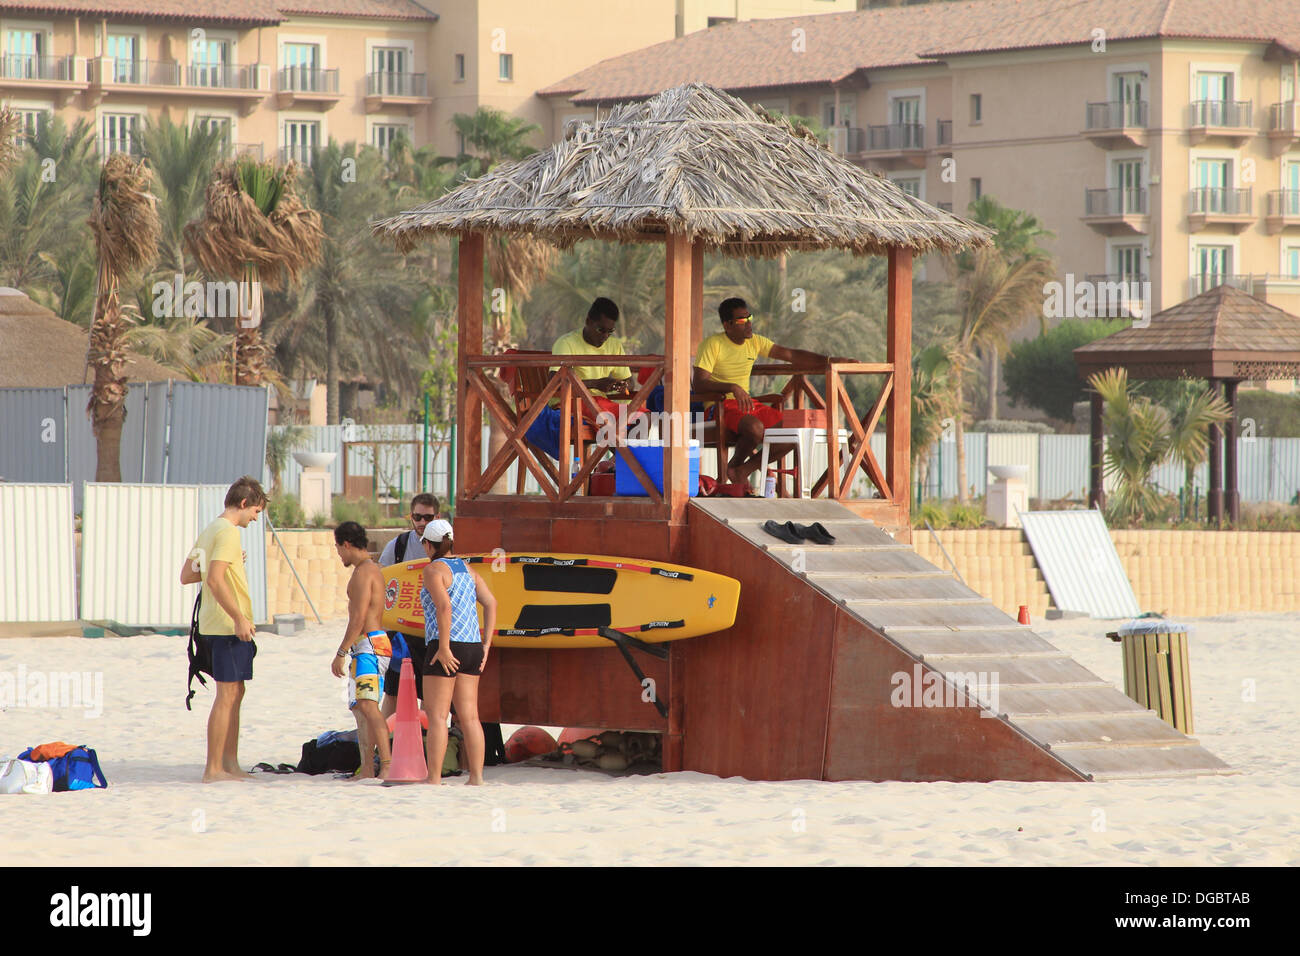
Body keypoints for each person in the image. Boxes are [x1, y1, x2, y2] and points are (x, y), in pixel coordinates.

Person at [693, 297, 844, 487]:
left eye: (750, 317)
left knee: (792, 433)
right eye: (742, 320)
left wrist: (829, 360)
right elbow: (699, 384)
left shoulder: (755, 342)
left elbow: (791, 355)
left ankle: (741, 470)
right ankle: (736, 466)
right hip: (719, 407)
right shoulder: (712, 344)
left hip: (747, 405)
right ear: (727, 325)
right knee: (755, 428)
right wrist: (731, 387)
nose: (749, 324)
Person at [179, 475, 267, 783]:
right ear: (244, 504)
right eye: (255, 512)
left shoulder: (211, 528)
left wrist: (227, 561)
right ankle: (214, 769)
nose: (255, 518)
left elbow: (188, 575)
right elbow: (214, 581)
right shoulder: (228, 532)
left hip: (212, 624)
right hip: (227, 626)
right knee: (227, 695)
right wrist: (239, 618)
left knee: (236, 691)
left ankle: (230, 763)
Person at [418, 520, 496, 785]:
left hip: (446, 645)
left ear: (429, 544)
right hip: (473, 646)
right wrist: (486, 646)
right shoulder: (467, 569)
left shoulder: (433, 570)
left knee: (438, 716)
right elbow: (491, 603)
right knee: (470, 716)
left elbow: (443, 607)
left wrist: (443, 648)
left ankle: (435, 778)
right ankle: (476, 778)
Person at [331, 521, 392, 780]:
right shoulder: (372, 569)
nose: (338, 554)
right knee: (360, 708)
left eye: (338, 548)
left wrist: (341, 652)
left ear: (347, 544)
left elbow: (357, 619)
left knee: (368, 706)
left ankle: (387, 764)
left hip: (369, 645)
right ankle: (366, 767)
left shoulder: (363, 573)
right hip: (369, 645)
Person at [378, 493, 440, 720]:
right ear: (411, 517)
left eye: (428, 517)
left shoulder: (446, 546)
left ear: (437, 516)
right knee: (393, 693)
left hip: (433, 632)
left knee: (429, 696)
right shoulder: (398, 546)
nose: (422, 522)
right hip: (401, 634)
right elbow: (379, 583)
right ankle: (383, 748)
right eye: (417, 517)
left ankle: (423, 746)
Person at [551, 297, 636, 418]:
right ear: (588, 321)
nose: (605, 336)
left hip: (599, 405)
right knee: (635, 418)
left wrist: (623, 385)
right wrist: (595, 384)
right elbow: (554, 383)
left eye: (610, 331)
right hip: (570, 403)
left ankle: (617, 436)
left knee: (644, 416)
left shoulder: (614, 345)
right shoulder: (566, 343)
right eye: (601, 330)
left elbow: (630, 382)